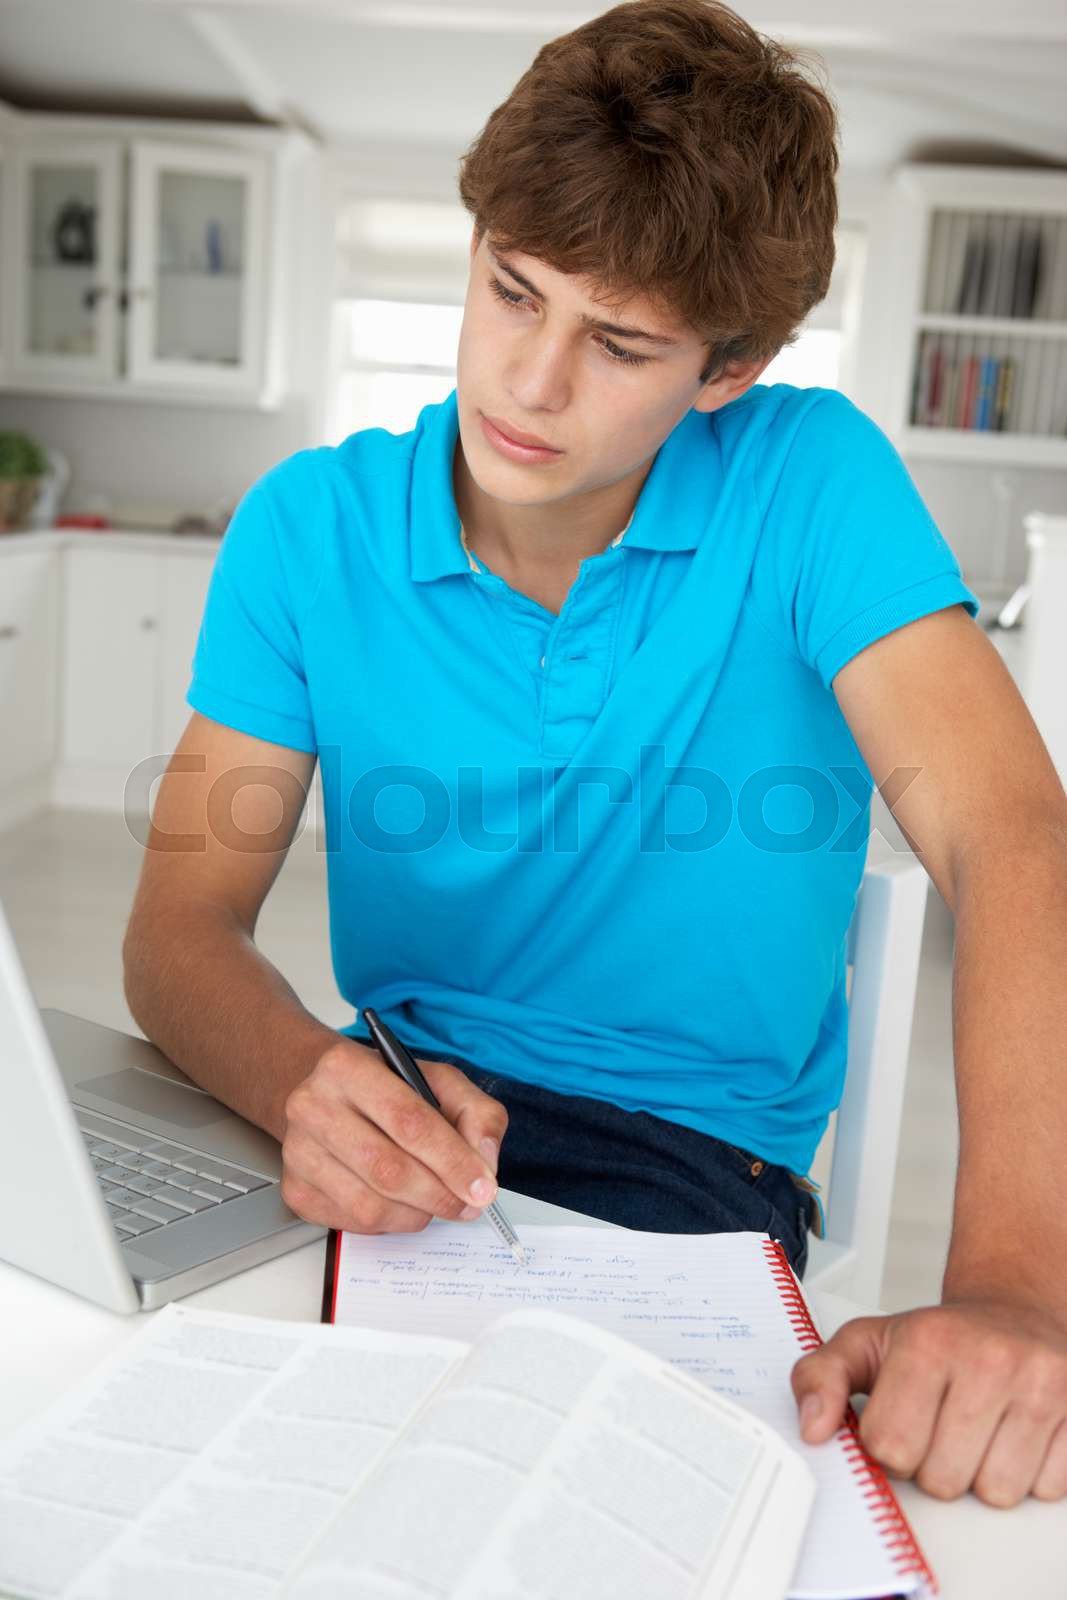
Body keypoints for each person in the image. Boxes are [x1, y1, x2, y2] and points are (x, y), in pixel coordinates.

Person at [124, 0, 1067, 1510]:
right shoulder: (308, 528)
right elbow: (176, 933)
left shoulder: (808, 482)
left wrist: (1018, 1284)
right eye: (511, 292)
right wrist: (298, 1072)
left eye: (618, 343)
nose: (531, 384)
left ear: (724, 368)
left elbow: (1012, 838)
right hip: (393, 1101)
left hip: (679, 1168)